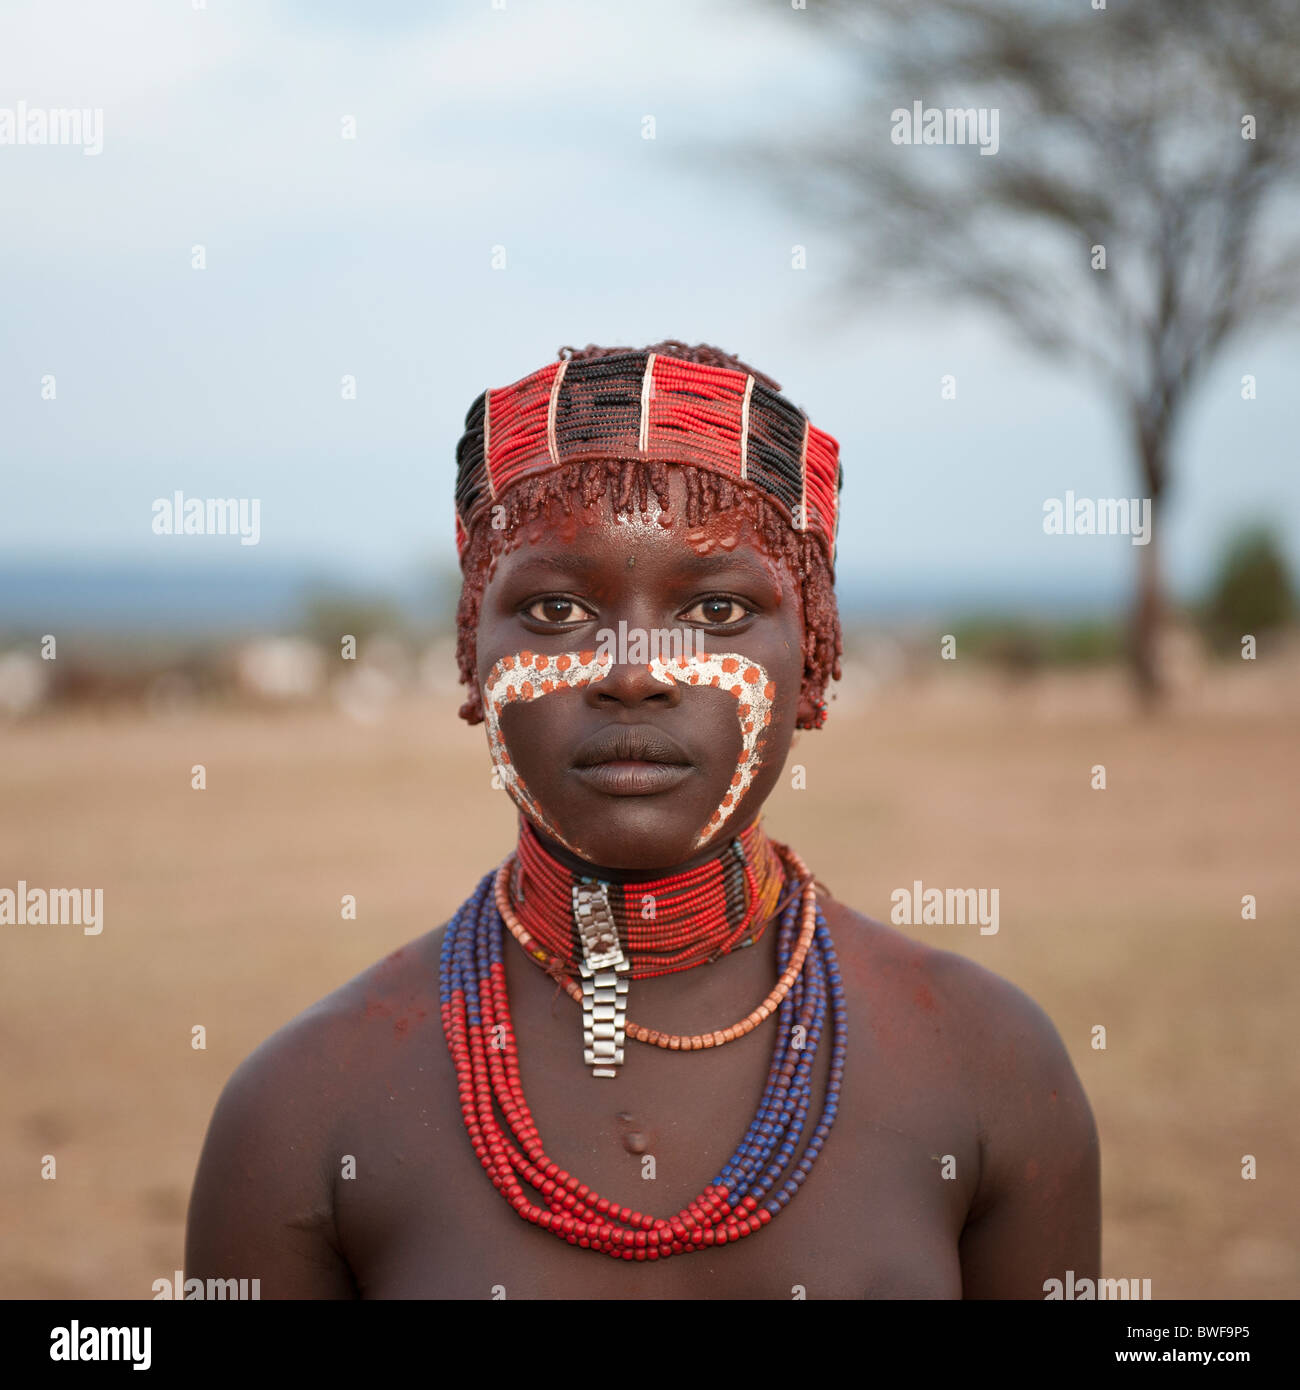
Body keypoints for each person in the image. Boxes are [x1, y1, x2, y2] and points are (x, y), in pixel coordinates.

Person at [185, 340, 1100, 1298]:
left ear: (814, 657)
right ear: (472, 654)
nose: (631, 670)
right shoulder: (302, 1113)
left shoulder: (989, 1066)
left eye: (714, 609)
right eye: (551, 608)